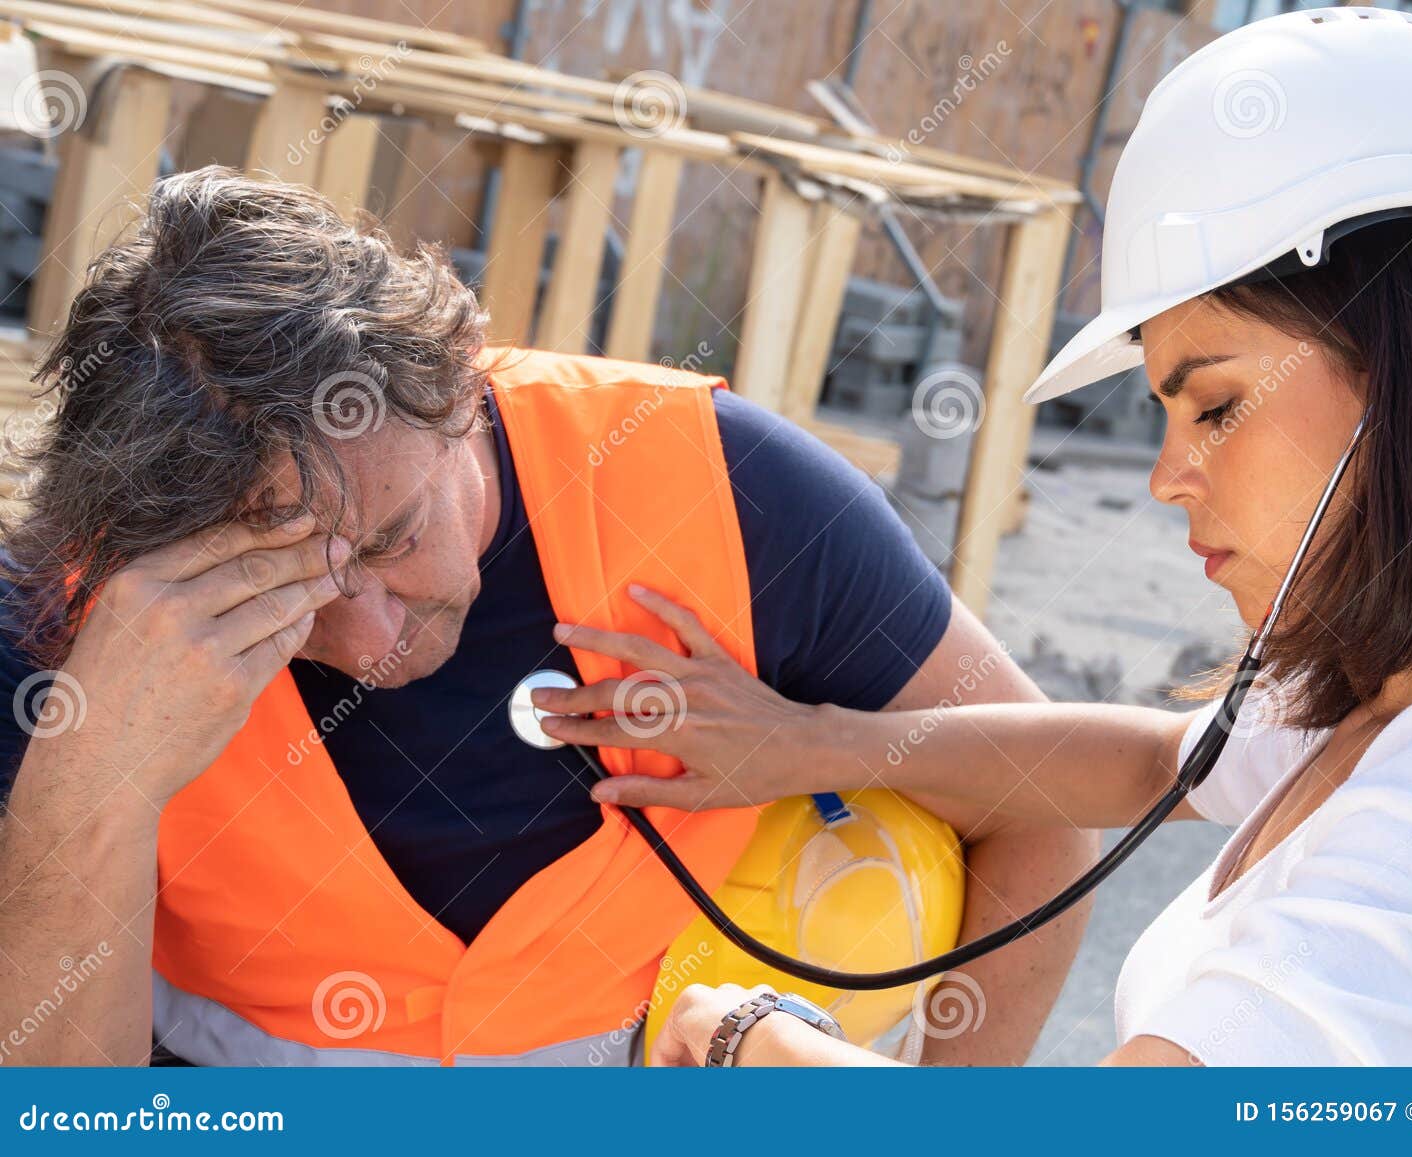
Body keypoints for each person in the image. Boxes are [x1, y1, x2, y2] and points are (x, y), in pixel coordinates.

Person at [528, 8, 1412, 1066]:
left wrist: (748, 1038)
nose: (1167, 477)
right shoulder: (1396, 700)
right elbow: (1144, 762)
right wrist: (812, 742)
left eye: (1216, 405)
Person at [0, 166, 1096, 1066]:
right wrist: (91, 777)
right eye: (288, 591)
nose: (373, 640)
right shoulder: (74, 616)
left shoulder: (727, 489)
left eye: (394, 537)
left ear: (456, 383)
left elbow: (1046, 804)